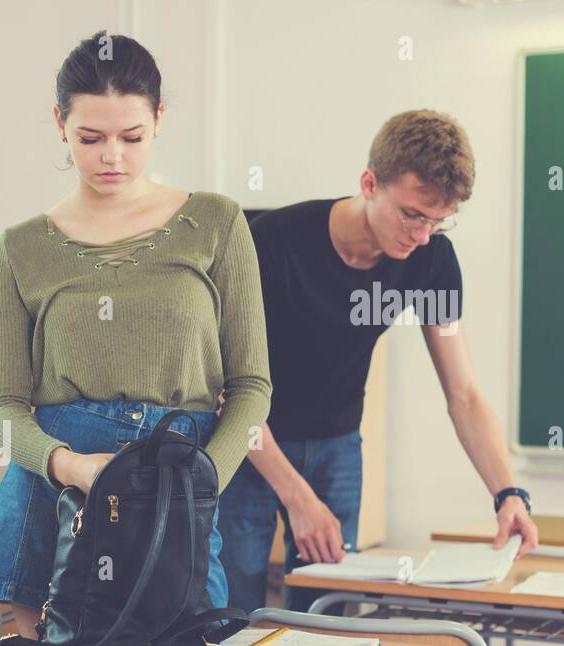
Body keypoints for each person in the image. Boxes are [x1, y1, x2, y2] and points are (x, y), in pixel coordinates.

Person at [0, 30, 271, 636]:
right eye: (90, 138)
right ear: (59, 123)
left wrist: (199, 483)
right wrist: (68, 466)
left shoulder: (216, 222)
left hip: (179, 475)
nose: (112, 159)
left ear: (160, 119)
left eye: (132, 137)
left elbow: (252, 385)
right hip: (58, 488)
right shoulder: (20, 248)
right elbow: (2, 405)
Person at [217, 110, 539, 613]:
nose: (422, 234)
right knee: (233, 614)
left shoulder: (431, 261)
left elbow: (464, 394)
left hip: (337, 449)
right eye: (412, 214)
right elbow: (227, 389)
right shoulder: (272, 243)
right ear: (370, 183)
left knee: (327, 620)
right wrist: (299, 500)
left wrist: (508, 493)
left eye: (438, 220)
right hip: (249, 444)